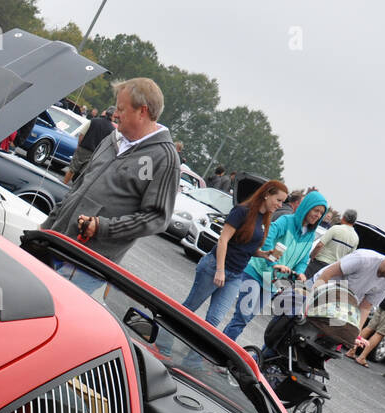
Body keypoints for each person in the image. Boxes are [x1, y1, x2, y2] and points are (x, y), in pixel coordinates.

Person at [42, 78, 180, 294]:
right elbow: (79, 186)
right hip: (56, 242)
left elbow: (156, 217)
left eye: (121, 109)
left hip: (85, 264)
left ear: (142, 111)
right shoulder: (111, 138)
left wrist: (103, 226)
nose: (115, 114)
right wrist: (47, 226)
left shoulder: (163, 158)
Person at [220, 189, 328, 340]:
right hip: (257, 271)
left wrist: (301, 272)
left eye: (321, 213)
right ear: (307, 207)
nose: (317, 215)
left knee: (247, 318)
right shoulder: (286, 221)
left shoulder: (310, 235)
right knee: (243, 315)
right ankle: (222, 347)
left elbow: (303, 259)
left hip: (273, 282)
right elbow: (267, 238)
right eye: (315, 210)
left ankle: (224, 346)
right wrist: (273, 262)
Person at [181, 179, 288, 329]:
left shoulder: (264, 219)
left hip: (236, 275)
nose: (280, 205)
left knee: (214, 321)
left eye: (282, 202)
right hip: (214, 267)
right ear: (266, 194)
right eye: (278, 200)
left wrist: (264, 254)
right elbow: (223, 240)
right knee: (188, 308)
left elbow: (246, 248)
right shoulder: (242, 211)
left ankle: (195, 353)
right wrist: (220, 270)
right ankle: (162, 344)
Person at [312, 249, 385, 329]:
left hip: (341, 304)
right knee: (301, 322)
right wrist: (312, 298)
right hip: (321, 286)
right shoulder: (364, 259)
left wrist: (356, 333)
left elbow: (365, 308)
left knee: (331, 336)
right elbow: (328, 273)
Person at [62, 106, 114, 185]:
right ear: (112, 116)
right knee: (83, 174)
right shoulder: (112, 130)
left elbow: (81, 134)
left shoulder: (93, 121)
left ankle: (64, 184)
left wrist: (79, 145)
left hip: (83, 148)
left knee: (72, 169)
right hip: (94, 154)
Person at [307, 209, 359, 278]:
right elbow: (349, 258)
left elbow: (319, 245)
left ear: (343, 218)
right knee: (318, 288)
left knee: (300, 285)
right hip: (334, 271)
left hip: (319, 263)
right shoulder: (356, 238)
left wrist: (312, 256)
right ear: (354, 222)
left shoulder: (335, 229)